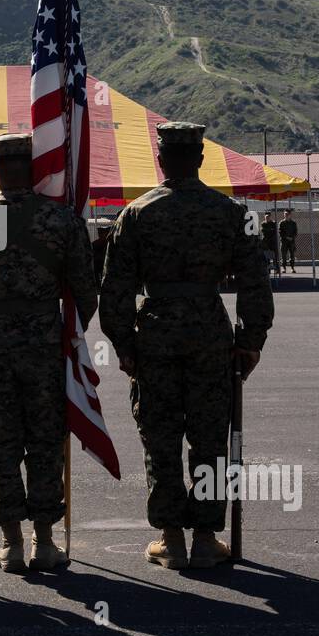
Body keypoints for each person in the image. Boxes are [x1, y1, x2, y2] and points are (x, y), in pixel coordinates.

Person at [100, 122, 274, 571]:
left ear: (161, 160)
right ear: (199, 159)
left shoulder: (137, 213)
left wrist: (123, 345)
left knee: (160, 437)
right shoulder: (228, 213)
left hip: (155, 331)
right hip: (209, 335)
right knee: (210, 437)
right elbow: (255, 283)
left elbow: (115, 289)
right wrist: (250, 341)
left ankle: (171, 538)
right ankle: (204, 537)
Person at [0, 133, 97, 574]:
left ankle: (12, 543)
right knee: (47, 442)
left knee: (2, 443)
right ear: (32, 172)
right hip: (48, 347)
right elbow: (86, 291)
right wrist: (70, 336)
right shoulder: (62, 221)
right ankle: (45, 542)